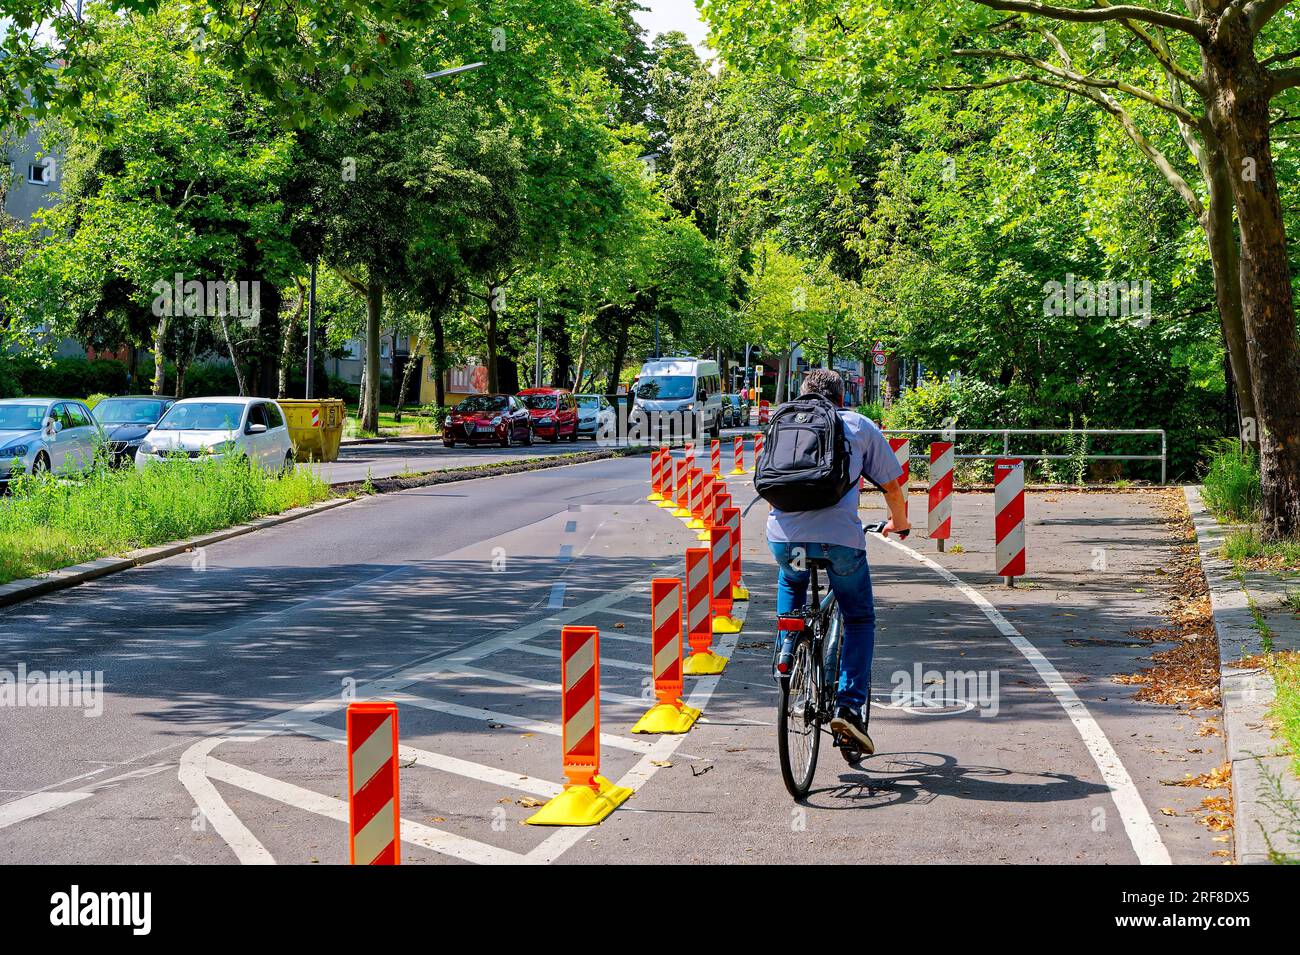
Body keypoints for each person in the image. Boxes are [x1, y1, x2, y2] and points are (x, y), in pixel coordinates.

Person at [766, 368, 910, 753]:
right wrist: (900, 522)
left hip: (785, 541)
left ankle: (786, 656)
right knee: (860, 617)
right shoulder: (858, 425)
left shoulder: (782, 421)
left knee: (791, 581)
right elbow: (892, 485)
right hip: (841, 542)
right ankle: (848, 707)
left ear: (802, 394)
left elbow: (769, 482)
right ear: (842, 397)